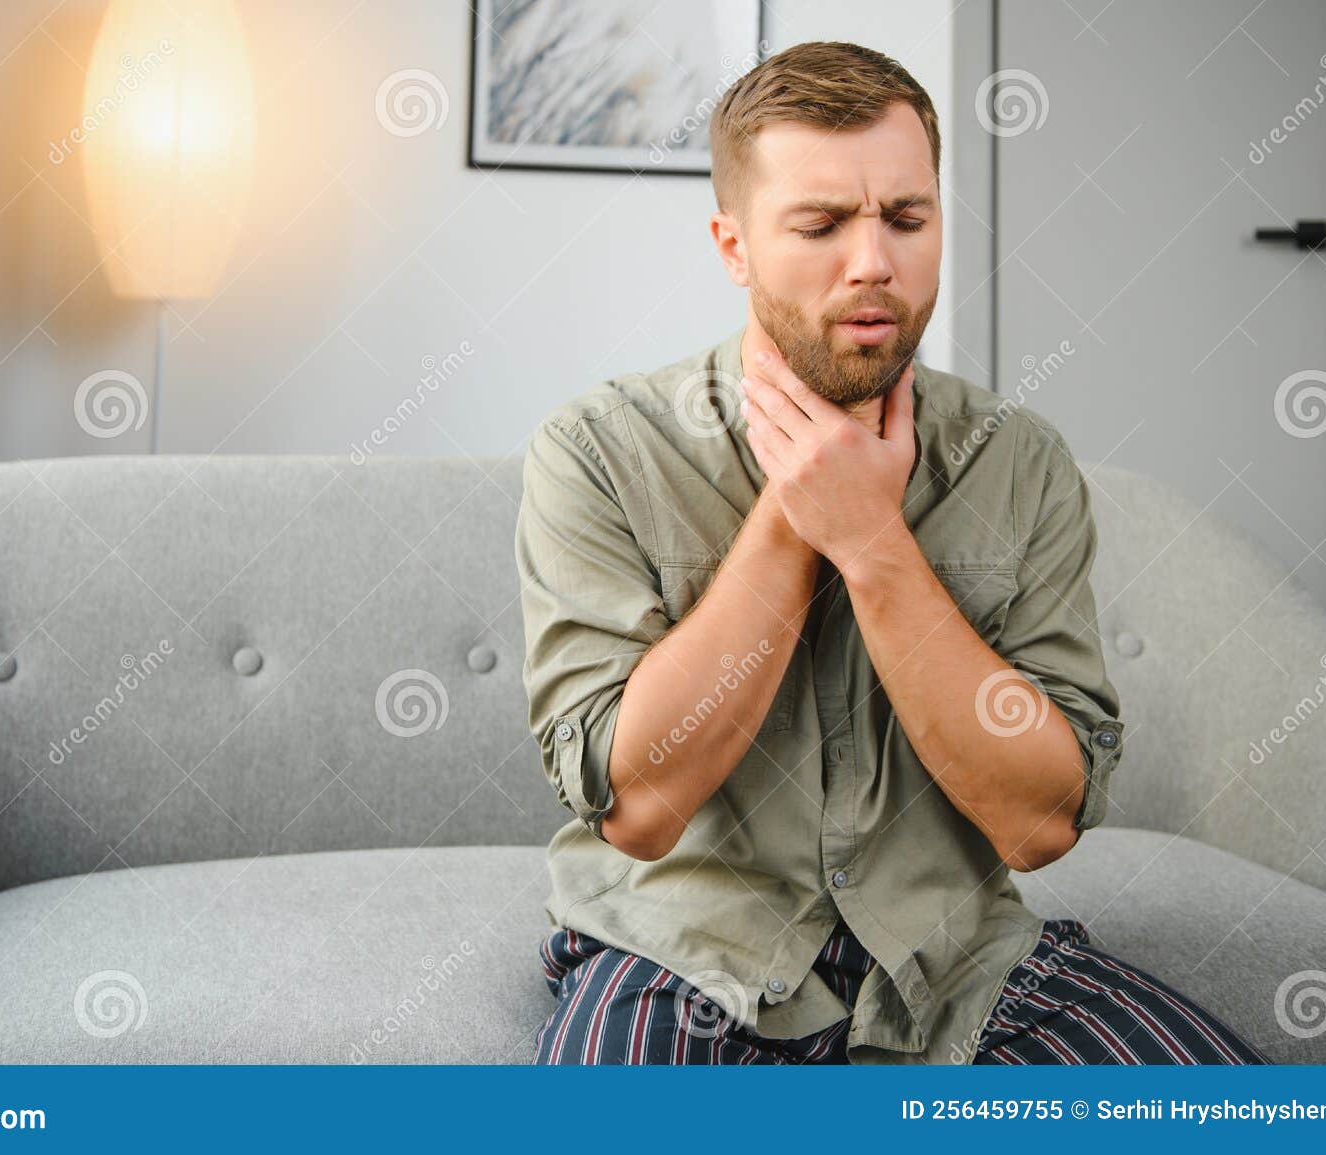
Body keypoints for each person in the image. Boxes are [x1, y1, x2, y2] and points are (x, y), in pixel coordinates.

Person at [512, 40, 1268, 1066]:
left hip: (957, 966)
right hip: (683, 951)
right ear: (732, 247)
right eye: (821, 224)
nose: (874, 260)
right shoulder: (597, 451)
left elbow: (1038, 825)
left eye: (906, 219)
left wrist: (873, 544)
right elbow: (639, 809)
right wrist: (799, 509)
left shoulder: (1020, 463)